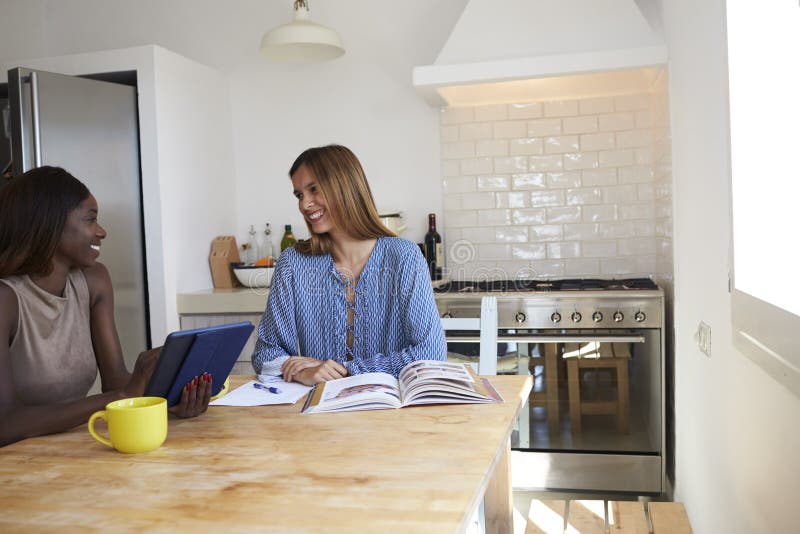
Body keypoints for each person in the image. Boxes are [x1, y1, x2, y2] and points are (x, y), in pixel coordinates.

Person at [0, 166, 210, 448]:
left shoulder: (95, 281)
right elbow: (6, 424)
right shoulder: (6, 300)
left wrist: (164, 397)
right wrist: (122, 397)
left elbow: (116, 383)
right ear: (50, 224)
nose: (102, 231)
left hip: (76, 447)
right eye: (90, 220)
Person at [252, 144, 446, 385]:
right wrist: (303, 371)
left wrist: (345, 370)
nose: (304, 204)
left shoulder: (404, 257)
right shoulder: (292, 264)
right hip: (319, 414)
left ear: (344, 188)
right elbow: (265, 353)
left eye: (314, 189)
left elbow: (431, 356)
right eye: (299, 195)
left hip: (391, 414)